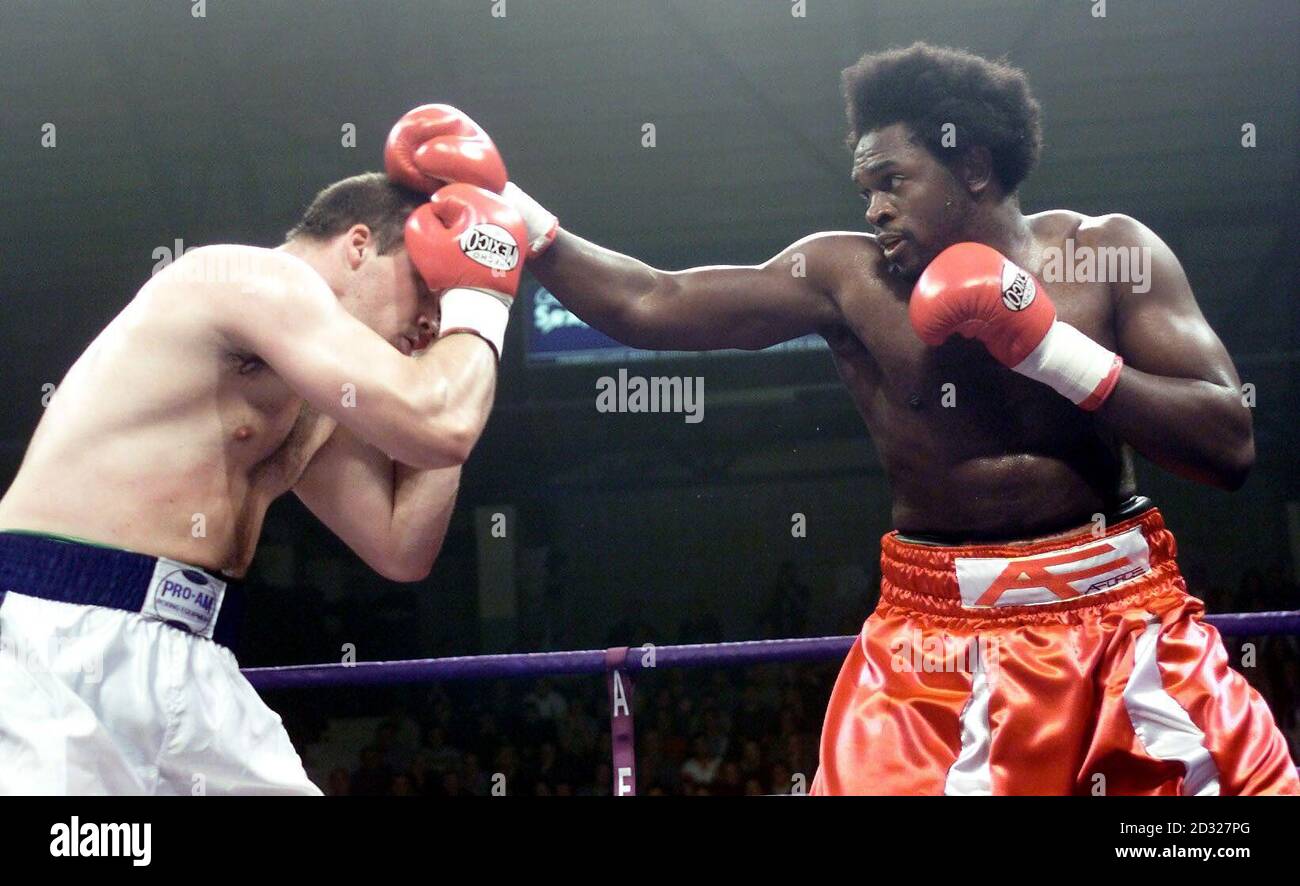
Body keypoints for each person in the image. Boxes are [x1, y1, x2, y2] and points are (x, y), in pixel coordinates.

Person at [389, 43, 1300, 794]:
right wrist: (524, 222)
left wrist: (1049, 350)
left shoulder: (1111, 255)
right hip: (932, 642)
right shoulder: (847, 275)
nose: (874, 206)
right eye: (866, 186)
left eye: (894, 181)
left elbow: (1228, 443)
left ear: (973, 165)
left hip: (1122, 618)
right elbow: (654, 302)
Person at [0, 107, 527, 794]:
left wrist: (443, 360)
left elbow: (402, 546)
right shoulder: (245, 278)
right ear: (358, 244)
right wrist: (479, 303)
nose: (433, 315)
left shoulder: (310, 395)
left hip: (192, 658)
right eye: (428, 287)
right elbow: (439, 423)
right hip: (55, 635)